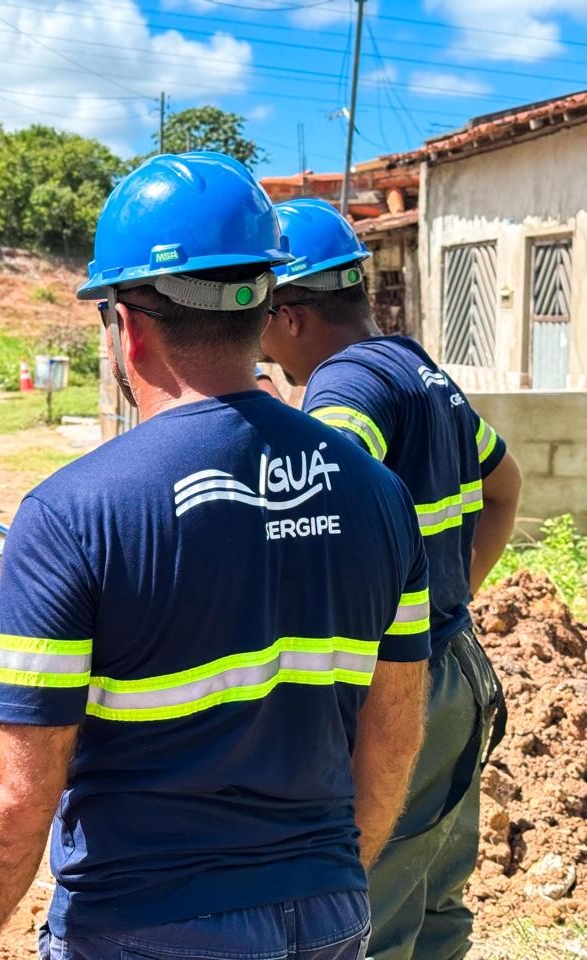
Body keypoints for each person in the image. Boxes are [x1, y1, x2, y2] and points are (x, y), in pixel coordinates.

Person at [0, 153, 431, 960]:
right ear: (266, 307)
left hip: (146, 926)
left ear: (127, 329)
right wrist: (327, 877)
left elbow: (14, 793)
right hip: (332, 913)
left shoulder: (72, 515)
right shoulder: (378, 496)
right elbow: (395, 732)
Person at [261, 197, 523, 960]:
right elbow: (504, 487)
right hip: (459, 673)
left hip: (400, 693)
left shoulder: (344, 389)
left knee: (360, 926)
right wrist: (452, 595)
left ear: (291, 314)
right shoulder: (418, 372)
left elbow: (326, 508)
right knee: (435, 905)